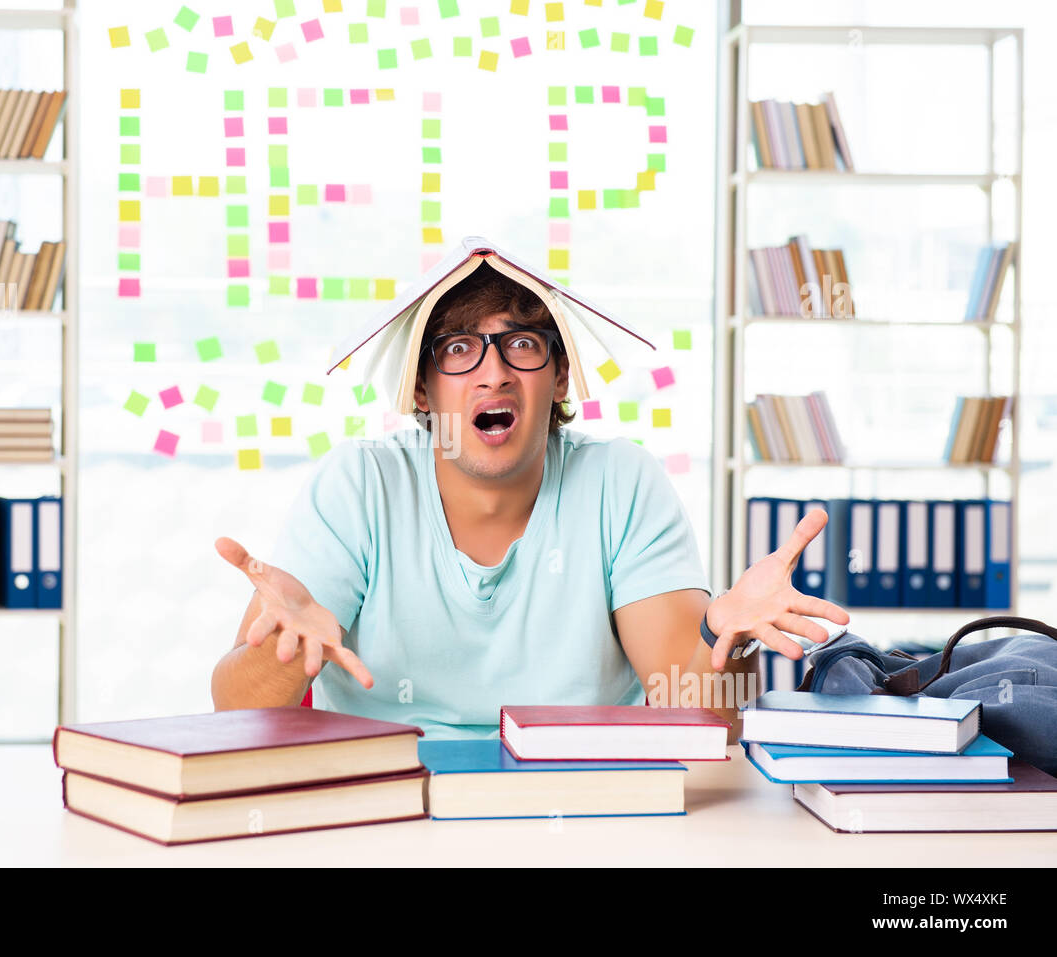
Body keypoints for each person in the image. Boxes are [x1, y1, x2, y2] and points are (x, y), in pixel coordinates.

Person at [211, 263, 848, 738]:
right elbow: (233, 714)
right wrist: (282, 654)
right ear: (423, 393)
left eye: (522, 344)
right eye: (458, 349)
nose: (494, 373)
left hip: (588, 812)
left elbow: (712, 725)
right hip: (393, 809)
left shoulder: (620, 481)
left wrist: (728, 640)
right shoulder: (359, 485)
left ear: (560, 376)